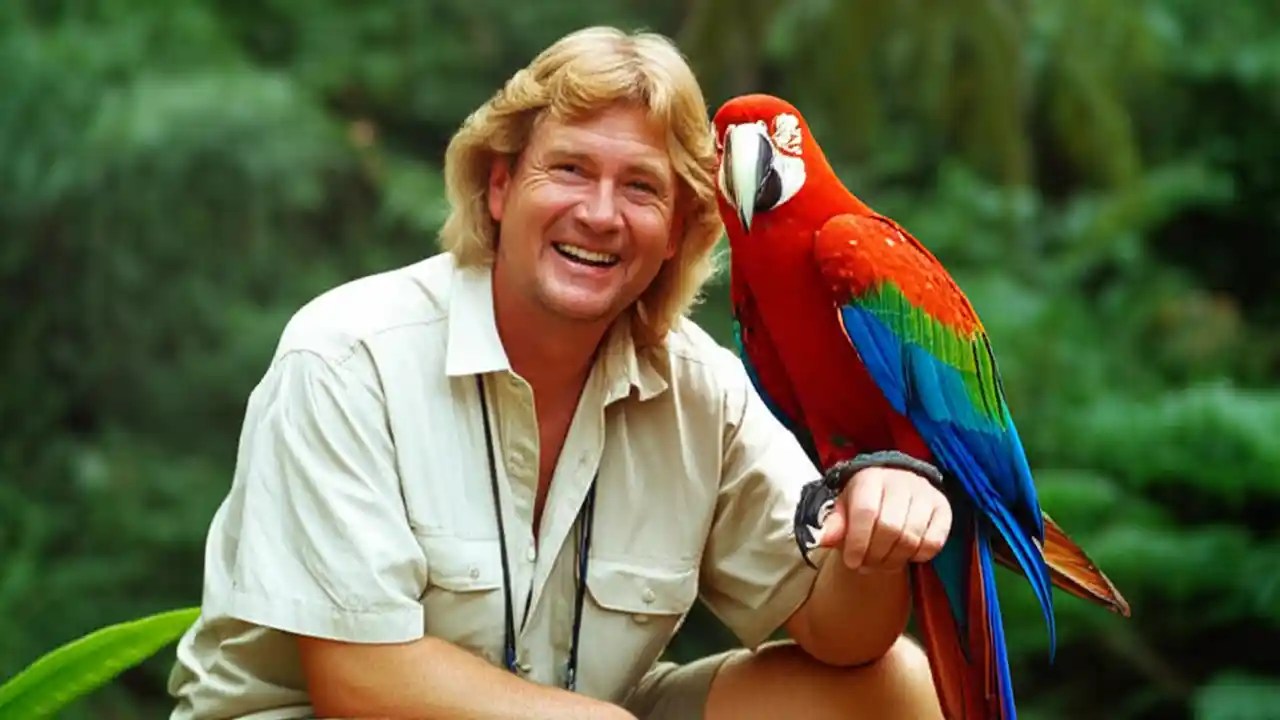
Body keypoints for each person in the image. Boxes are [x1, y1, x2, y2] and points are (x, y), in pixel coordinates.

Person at [167, 25, 949, 720]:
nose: (601, 214)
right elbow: (360, 683)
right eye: (570, 169)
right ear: (500, 187)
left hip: (586, 706)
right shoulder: (347, 356)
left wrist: (874, 534)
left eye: (641, 187)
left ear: (678, 229)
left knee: (892, 688)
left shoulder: (701, 390)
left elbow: (842, 636)